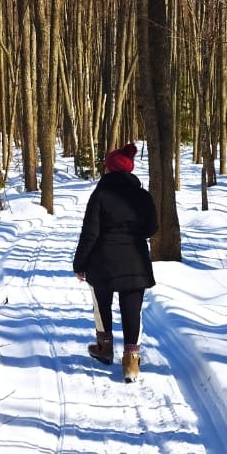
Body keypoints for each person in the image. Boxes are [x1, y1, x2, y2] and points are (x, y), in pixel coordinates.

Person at [73, 143, 158, 382]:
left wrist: (79, 264)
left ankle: (104, 348)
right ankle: (131, 363)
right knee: (132, 311)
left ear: (109, 169)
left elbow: (90, 233)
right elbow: (152, 228)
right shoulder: (143, 196)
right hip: (136, 262)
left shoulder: (99, 194)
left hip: (102, 263)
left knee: (102, 304)